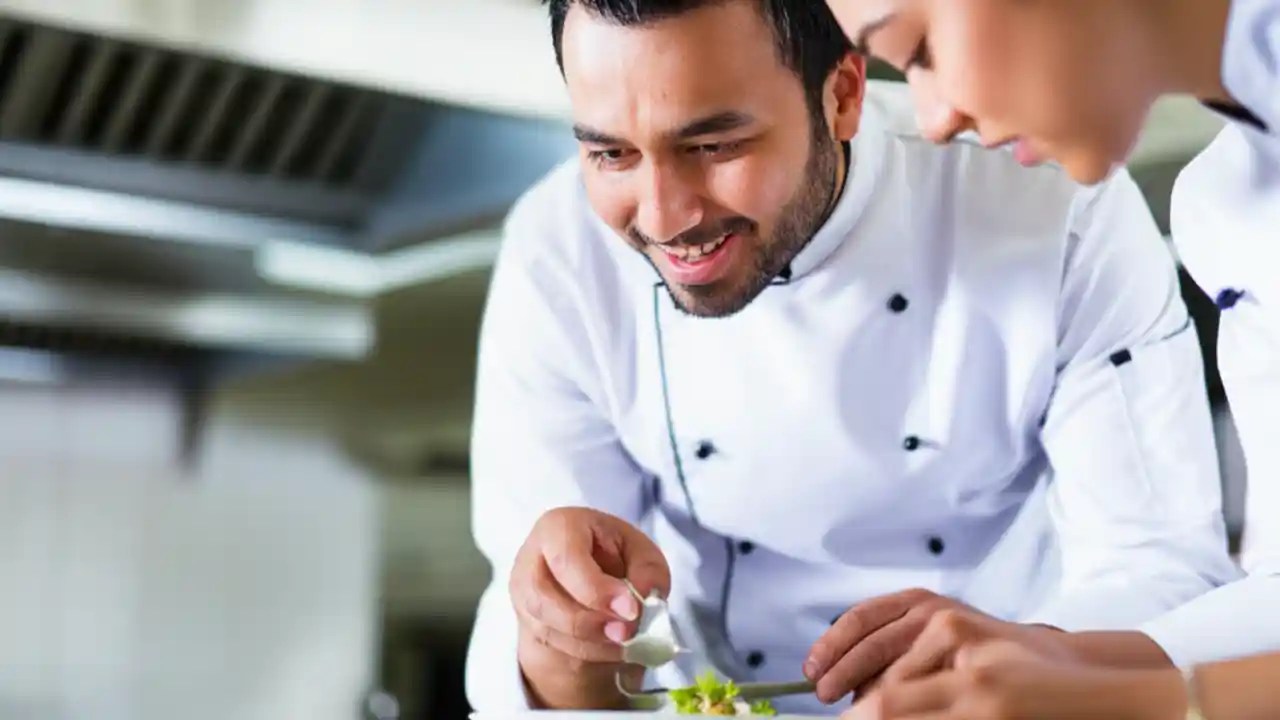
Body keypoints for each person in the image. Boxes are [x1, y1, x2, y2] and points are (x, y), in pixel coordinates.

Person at [463, 0, 1239, 715]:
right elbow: (547, 658)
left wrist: (1030, 671)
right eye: (611, 156)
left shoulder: (1054, 207)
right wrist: (560, 625)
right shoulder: (559, 251)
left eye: (714, 145)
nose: (665, 216)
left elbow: (1159, 568)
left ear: (842, 95)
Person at [814, 0, 1280, 717]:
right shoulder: (1222, 208)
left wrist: (1150, 703)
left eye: (922, 50)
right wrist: (1057, 654)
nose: (936, 119)